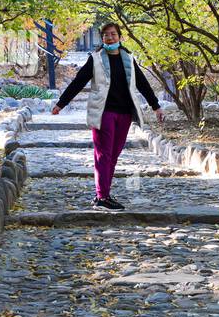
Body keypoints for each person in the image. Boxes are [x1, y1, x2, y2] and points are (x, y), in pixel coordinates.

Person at [52, 23, 164, 210]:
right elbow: (79, 81)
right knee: (103, 154)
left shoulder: (128, 58)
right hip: (104, 112)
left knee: (113, 155)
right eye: (106, 35)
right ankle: (102, 197)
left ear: (120, 37)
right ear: (102, 39)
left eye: (113, 34)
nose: (110, 38)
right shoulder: (95, 59)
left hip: (125, 114)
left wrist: (156, 106)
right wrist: (61, 103)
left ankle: (103, 194)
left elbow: (142, 83)